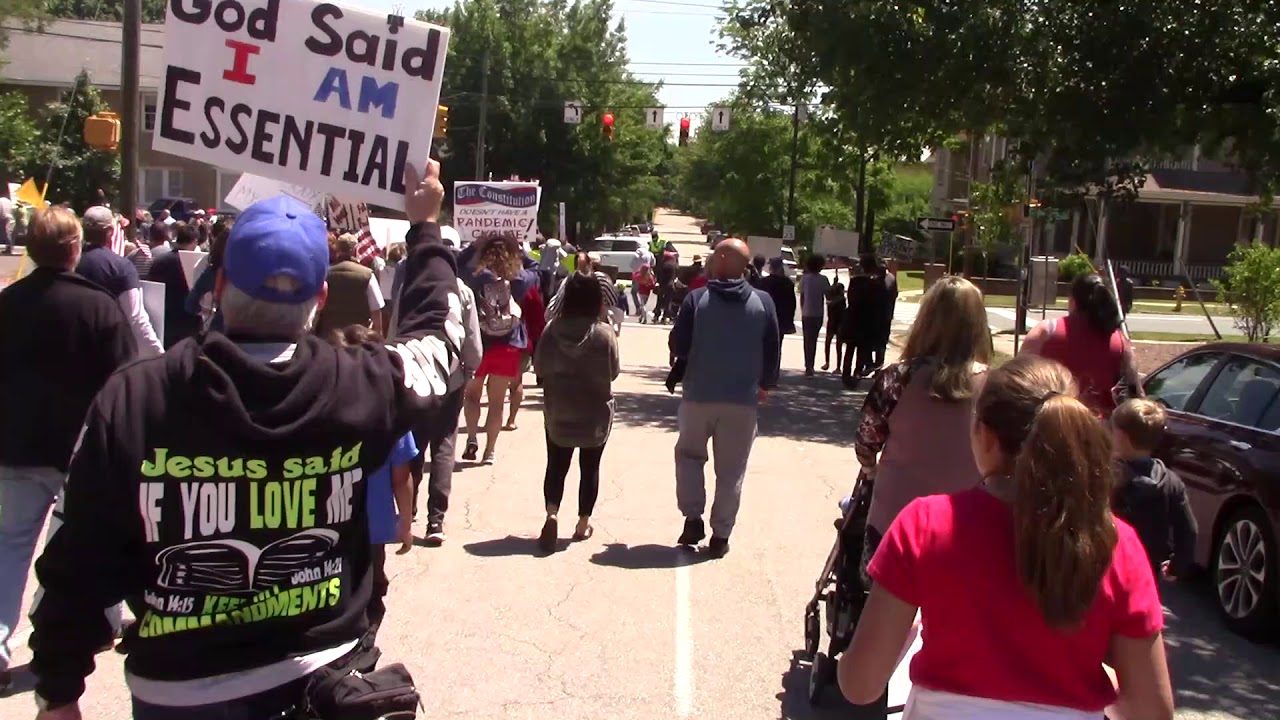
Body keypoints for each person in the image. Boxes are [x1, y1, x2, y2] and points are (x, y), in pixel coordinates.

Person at [26, 160, 464, 718]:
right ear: (321, 297)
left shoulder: (133, 397)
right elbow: (440, 339)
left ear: (222, 282)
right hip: (322, 679)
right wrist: (424, 225)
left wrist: (58, 691)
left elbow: (75, 553)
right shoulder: (360, 383)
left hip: (177, 693)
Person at [838, 355, 1174, 720]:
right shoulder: (1117, 544)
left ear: (985, 435)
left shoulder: (925, 524)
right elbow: (1151, 711)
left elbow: (860, 685)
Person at [0, 207, 136, 693]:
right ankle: (100, 621)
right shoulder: (100, 307)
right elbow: (125, 383)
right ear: (76, 248)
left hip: (14, 445)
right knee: (92, 541)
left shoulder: (8, 302)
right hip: (81, 451)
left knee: (10, 546)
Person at [850, 276, 991, 577]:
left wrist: (870, 467)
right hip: (968, 519)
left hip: (897, 515)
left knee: (879, 598)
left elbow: (866, 439)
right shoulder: (995, 386)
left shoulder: (896, 378)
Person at [669, 238, 781, 558]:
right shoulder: (763, 302)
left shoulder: (696, 300)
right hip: (742, 400)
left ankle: (693, 517)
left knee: (690, 457)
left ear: (720, 258)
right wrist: (766, 384)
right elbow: (772, 347)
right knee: (731, 470)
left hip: (698, 396)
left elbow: (680, 345)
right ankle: (721, 534)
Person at [325, 324, 415, 632]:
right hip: (374, 525)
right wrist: (405, 523)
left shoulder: (321, 409)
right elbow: (401, 477)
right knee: (373, 587)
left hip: (332, 524)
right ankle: (367, 637)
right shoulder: (389, 411)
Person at [534, 272, 621, 554]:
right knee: (590, 467)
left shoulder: (551, 329)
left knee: (556, 464)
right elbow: (614, 372)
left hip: (559, 409)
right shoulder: (604, 333)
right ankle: (583, 522)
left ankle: (551, 513)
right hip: (594, 412)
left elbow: (540, 367)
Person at [407, 264, 482, 547]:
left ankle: (408, 508)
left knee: (414, 444)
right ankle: (435, 520)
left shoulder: (411, 286)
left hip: (415, 373)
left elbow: (395, 329)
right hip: (450, 376)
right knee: (444, 446)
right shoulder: (462, 289)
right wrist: (471, 368)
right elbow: (471, 337)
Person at [460, 233, 538, 465]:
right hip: (508, 345)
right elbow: (538, 268)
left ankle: (472, 437)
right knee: (497, 402)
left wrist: (476, 244)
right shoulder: (519, 278)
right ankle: (490, 451)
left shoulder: (474, 276)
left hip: (479, 344)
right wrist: (519, 248)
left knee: (472, 395)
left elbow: (456, 263)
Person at [1022, 273, 1142, 416]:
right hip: (1101, 430)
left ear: (1073, 301)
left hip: (1051, 424)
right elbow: (1135, 393)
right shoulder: (1120, 341)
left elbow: (1017, 381)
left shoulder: (1045, 332)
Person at [1111, 398, 1198, 583]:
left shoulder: (1109, 477)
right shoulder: (1172, 482)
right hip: (1148, 569)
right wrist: (1177, 566)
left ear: (1122, 437)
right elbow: (1188, 531)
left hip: (1110, 565)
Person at [75, 206, 165, 357]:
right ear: (110, 231)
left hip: (74, 350)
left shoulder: (71, 262)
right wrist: (158, 355)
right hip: (109, 354)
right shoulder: (120, 266)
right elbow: (135, 318)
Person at [314, 233, 385, 337]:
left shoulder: (325, 274)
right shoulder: (367, 275)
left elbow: (317, 307)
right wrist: (378, 334)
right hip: (357, 338)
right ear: (355, 250)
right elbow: (376, 309)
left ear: (337, 249)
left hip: (329, 337)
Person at [147, 221, 204, 349]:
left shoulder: (160, 261)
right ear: (194, 241)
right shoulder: (198, 263)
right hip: (190, 321)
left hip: (165, 319)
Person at [842, 254, 890, 386]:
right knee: (862, 349)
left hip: (853, 318)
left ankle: (846, 374)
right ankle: (857, 373)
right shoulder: (876, 284)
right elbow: (878, 304)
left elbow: (850, 300)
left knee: (850, 348)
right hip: (867, 320)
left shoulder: (855, 282)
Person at [186, 222, 232, 333]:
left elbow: (190, 304)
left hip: (219, 331)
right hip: (247, 334)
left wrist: (206, 311)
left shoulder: (212, 272)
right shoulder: (250, 271)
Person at [798, 254, 831, 376]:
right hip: (818, 313)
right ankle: (811, 365)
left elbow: (802, 296)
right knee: (814, 339)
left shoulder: (804, 279)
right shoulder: (823, 279)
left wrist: (802, 309)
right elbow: (828, 296)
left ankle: (808, 365)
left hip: (806, 313)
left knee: (807, 340)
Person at [760, 256, 797, 339]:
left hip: (767, 317)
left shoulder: (765, 282)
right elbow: (792, 303)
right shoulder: (788, 283)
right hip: (782, 318)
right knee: (778, 342)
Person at [823, 269, 846, 372]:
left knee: (838, 345)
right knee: (828, 342)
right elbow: (828, 293)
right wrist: (834, 283)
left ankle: (838, 366)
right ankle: (827, 362)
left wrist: (834, 285)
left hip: (839, 322)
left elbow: (831, 301)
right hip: (833, 321)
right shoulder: (832, 297)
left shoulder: (841, 299)